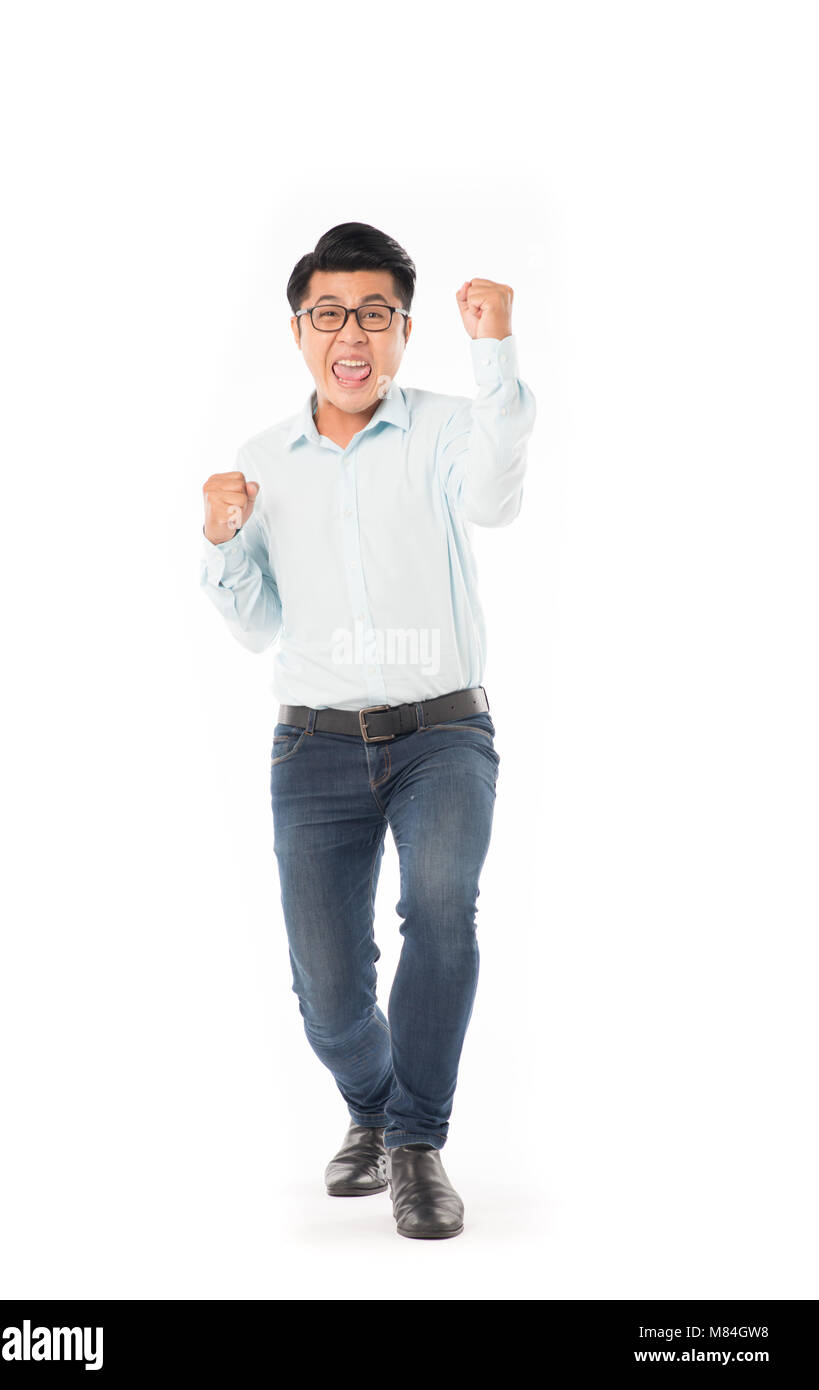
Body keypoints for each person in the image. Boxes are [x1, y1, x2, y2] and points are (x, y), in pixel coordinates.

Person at [200, 222, 537, 1239]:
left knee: (441, 910)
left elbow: (496, 497)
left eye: (377, 313)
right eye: (332, 313)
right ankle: (373, 1105)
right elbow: (259, 624)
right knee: (328, 989)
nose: (355, 335)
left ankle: (418, 1142)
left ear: (403, 328)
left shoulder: (443, 428)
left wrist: (496, 353)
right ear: (301, 327)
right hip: (313, 750)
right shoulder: (264, 460)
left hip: (442, 736)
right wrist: (222, 545)